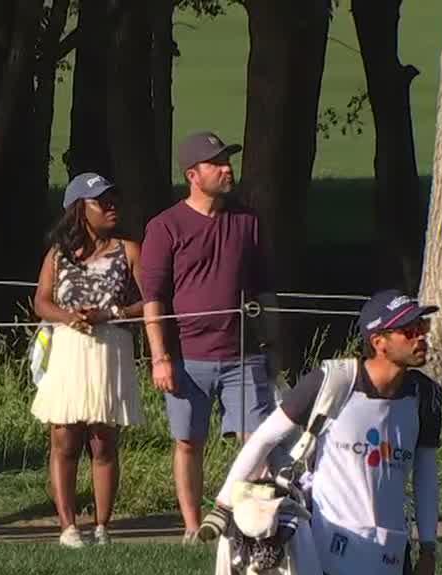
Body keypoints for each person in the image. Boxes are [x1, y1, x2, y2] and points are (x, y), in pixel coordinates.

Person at [217, 289, 442, 575]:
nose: (422, 336)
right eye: (410, 329)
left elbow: (426, 473)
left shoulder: (426, 395)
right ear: (379, 341)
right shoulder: (333, 380)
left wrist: (429, 548)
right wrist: (225, 506)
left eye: (422, 326)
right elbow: (264, 438)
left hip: (393, 551)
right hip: (333, 546)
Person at [140, 131, 280, 540]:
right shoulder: (165, 226)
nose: (227, 169)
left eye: (227, 161)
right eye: (216, 163)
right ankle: (191, 527)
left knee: (256, 442)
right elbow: (153, 298)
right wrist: (160, 357)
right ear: (192, 175)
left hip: (243, 354)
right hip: (187, 357)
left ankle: (252, 526)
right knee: (188, 442)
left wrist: (272, 345)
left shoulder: (247, 222)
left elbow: (265, 290)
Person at [29, 173, 145, 547]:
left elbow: (151, 301)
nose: (112, 207)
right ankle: (67, 527)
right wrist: (68, 316)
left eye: (113, 200)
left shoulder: (129, 250)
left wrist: (112, 313)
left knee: (103, 441)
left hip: (109, 350)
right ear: (80, 209)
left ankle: (102, 526)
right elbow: (41, 300)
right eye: (101, 201)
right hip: (68, 350)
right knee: (64, 438)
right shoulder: (58, 255)